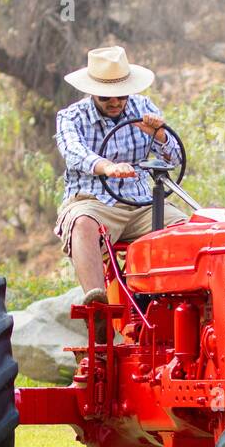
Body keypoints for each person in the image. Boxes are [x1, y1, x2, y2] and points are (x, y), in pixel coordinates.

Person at [53, 45, 186, 304]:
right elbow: (72, 152)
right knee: (82, 224)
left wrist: (158, 135)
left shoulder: (144, 107)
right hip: (95, 202)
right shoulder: (71, 117)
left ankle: (176, 302)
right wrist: (107, 166)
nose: (115, 103)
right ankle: (97, 304)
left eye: (121, 96)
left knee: (186, 229)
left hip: (142, 204)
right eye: (106, 98)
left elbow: (176, 158)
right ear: (93, 93)